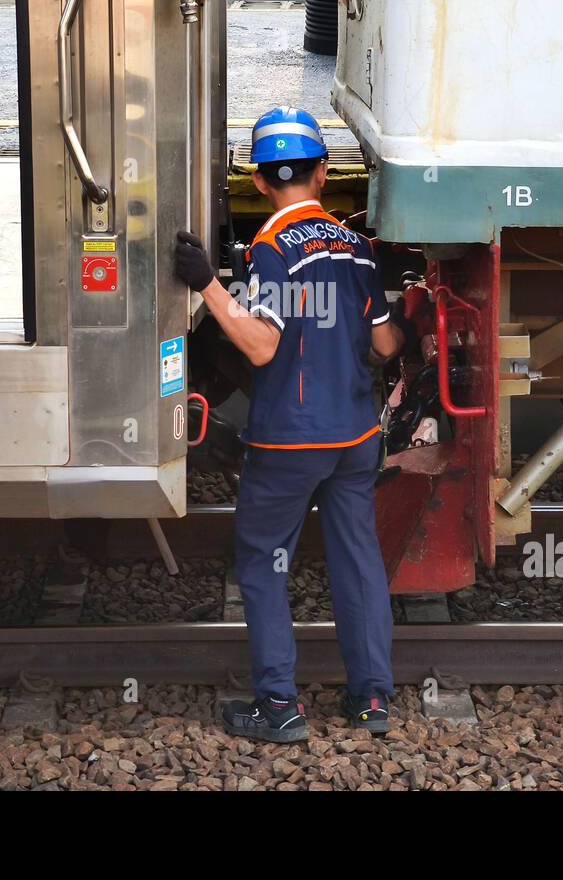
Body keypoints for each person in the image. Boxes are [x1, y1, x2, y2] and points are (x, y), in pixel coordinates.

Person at [173, 106, 414, 742]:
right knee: (358, 562)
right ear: (324, 172)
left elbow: (260, 346)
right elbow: (387, 345)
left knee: (263, 561)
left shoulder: (271, 251)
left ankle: (279, 706)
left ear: (258, 182)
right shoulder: (357, 247)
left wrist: (207, 287)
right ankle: (371, 702)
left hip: (289, 442)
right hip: (356, 437)